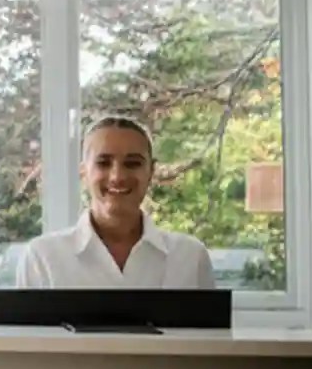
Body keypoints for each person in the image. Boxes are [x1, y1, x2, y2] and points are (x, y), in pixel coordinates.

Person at [17, 116, 215, 289]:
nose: (117, 176)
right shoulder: (43, 258)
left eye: (133, 163)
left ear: (151, 171)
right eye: (103, 163)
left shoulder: (190, 257)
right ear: (84, 171)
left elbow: (207, 333)